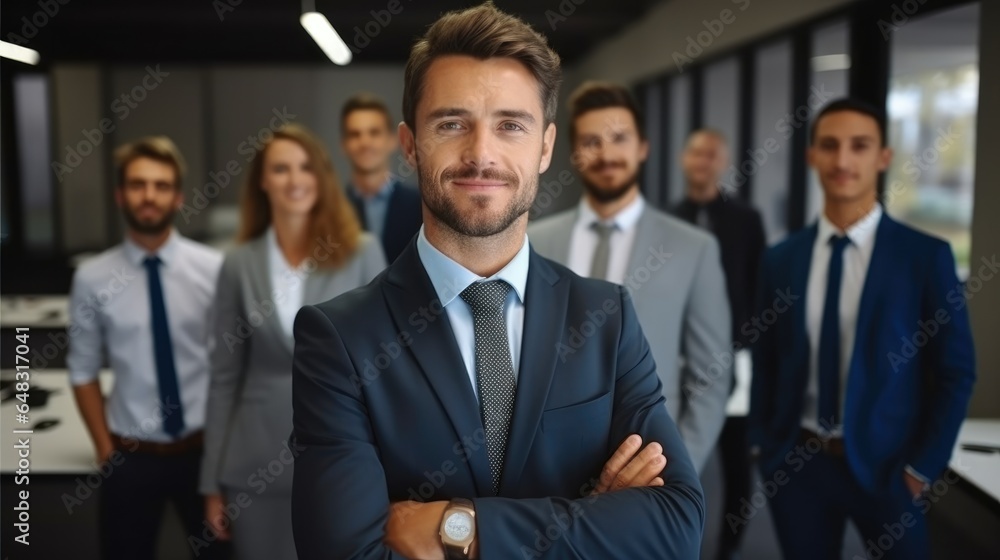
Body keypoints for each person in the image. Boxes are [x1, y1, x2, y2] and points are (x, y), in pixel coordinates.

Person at [290, 4, 704, 559]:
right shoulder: (340, 338)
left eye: (511, 125)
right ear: (410, 145)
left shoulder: (606, 315)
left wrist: (460, 528)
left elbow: (677, 526)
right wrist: (595, 522)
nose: (481, 154)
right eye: (451, 124)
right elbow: (345, 554)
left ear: (545, 147)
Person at [749, 98, 976, 560]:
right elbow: (767, 359)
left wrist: (921, 468)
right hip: (798, 465)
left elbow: (956, 372)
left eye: (859, 146)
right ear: (812, 155)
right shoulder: (781, 259)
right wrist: (764, 448)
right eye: (829, 146)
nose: (843, 160)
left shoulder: (924, 257)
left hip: (891, 469)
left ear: (883, 157)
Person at [199, 123, 386, 559]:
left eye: (305, 167)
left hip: (344, 459)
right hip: (254, 464)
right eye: (280, 169)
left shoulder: (362, 252)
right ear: (263, 181)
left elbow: (383, 369)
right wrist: (211, 483)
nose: (294, 179)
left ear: (321, 177)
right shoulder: (237, 263)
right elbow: (224, 377)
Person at [529, 82, 732, 474]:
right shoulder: (533, 242)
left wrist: (677, 469)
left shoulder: (693, 247)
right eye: (591, 142)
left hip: (653, 466)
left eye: (619, 139)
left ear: (643, 147)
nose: (606, 155)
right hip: (545, 468)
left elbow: (712, 375)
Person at [67, 136, 226, 560]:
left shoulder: (213, 269)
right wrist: (106, 451)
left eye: (161, 185)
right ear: (120, 195)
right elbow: (82, 371)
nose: (149, 196)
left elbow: (229, 366)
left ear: (178, 197)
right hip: (129, 456)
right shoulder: (91, 277)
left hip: (204, 453)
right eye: (138, 185)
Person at [672, 129, 767, 560]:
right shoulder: (666, 219)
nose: (703, 161)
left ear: (723, 162)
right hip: (674, 356)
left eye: (712, 154)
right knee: (676, 452)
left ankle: (730, 547)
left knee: (735, 458)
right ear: (683, 159)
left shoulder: (746, 220)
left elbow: (759, 285)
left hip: (734, 356)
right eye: (696, 153)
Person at [341, 92, 422, 263]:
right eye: (355, 134)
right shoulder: (331, 209)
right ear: (344, 144)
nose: (365, 142)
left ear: (392, 140)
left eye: (374, 133)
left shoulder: (421, 205)